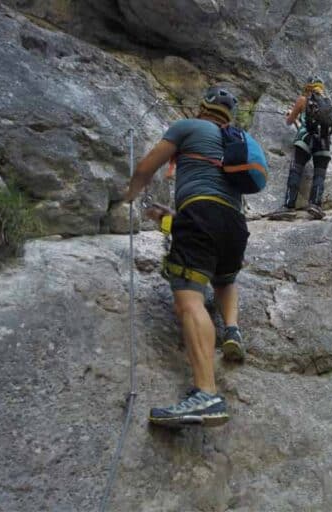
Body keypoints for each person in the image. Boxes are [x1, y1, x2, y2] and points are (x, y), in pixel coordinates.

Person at [122, 84, 252, 427]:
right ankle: (232, 328)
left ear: (203, 107)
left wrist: (128, 196)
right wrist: (174, 217)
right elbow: (218, 197)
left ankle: (206, 393)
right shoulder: (233, 140)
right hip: (235, 225)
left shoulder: (186, 127)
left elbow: (147, 167)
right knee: (224, 278)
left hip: (200, 216)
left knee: (189, 300)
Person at [271, 76, 332, 220]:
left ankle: (288, 207)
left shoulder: (302, 100)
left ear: (307, 87)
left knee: (296, 170)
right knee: (319, 174)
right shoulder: (327, 104)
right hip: (324, 141)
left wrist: (290, 114)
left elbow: (289, 121)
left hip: (305, 138)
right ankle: (315, 205)